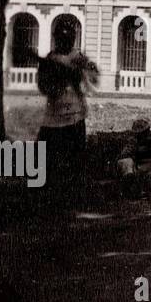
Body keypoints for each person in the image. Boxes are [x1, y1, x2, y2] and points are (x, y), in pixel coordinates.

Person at [36, 17, 99, 196]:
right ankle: (46, 193)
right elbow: (43, 86)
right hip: (53, 117)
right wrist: (54, 79)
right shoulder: (50, 59)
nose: (64, 41)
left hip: (75, 116)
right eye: (61, 38)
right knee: (46, 158)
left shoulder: (78, 58)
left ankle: (73, 194)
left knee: (75, 159)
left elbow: (92, 77)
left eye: (67, 38)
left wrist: (78, 72)